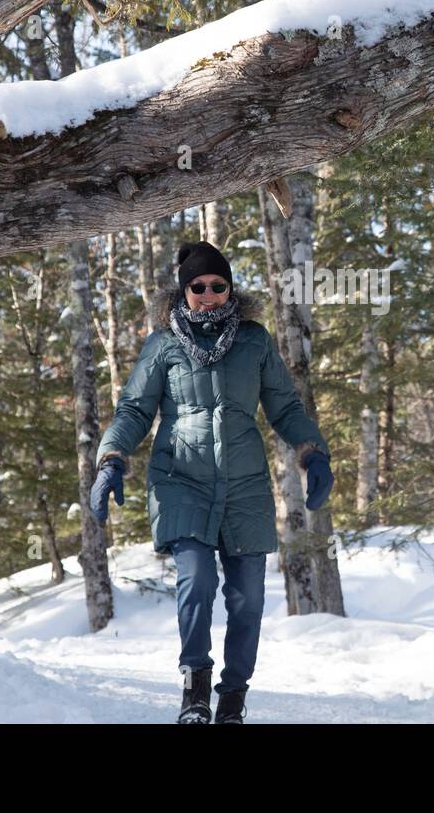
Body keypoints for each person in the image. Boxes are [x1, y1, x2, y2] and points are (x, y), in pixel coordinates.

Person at [88, 239, 334, 724]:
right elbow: (136, 408)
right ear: (183, 291)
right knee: (196, 579)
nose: (208, 294)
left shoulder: (255, 341)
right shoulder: (163, 345)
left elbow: (284, 407)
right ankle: (194, 687)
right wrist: (111, 457)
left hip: (244, 486)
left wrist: (312, 453)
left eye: (217, 286)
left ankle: (233, 698)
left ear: (229, 289)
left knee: (248, 600)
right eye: (197, 286)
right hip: (181, 481)